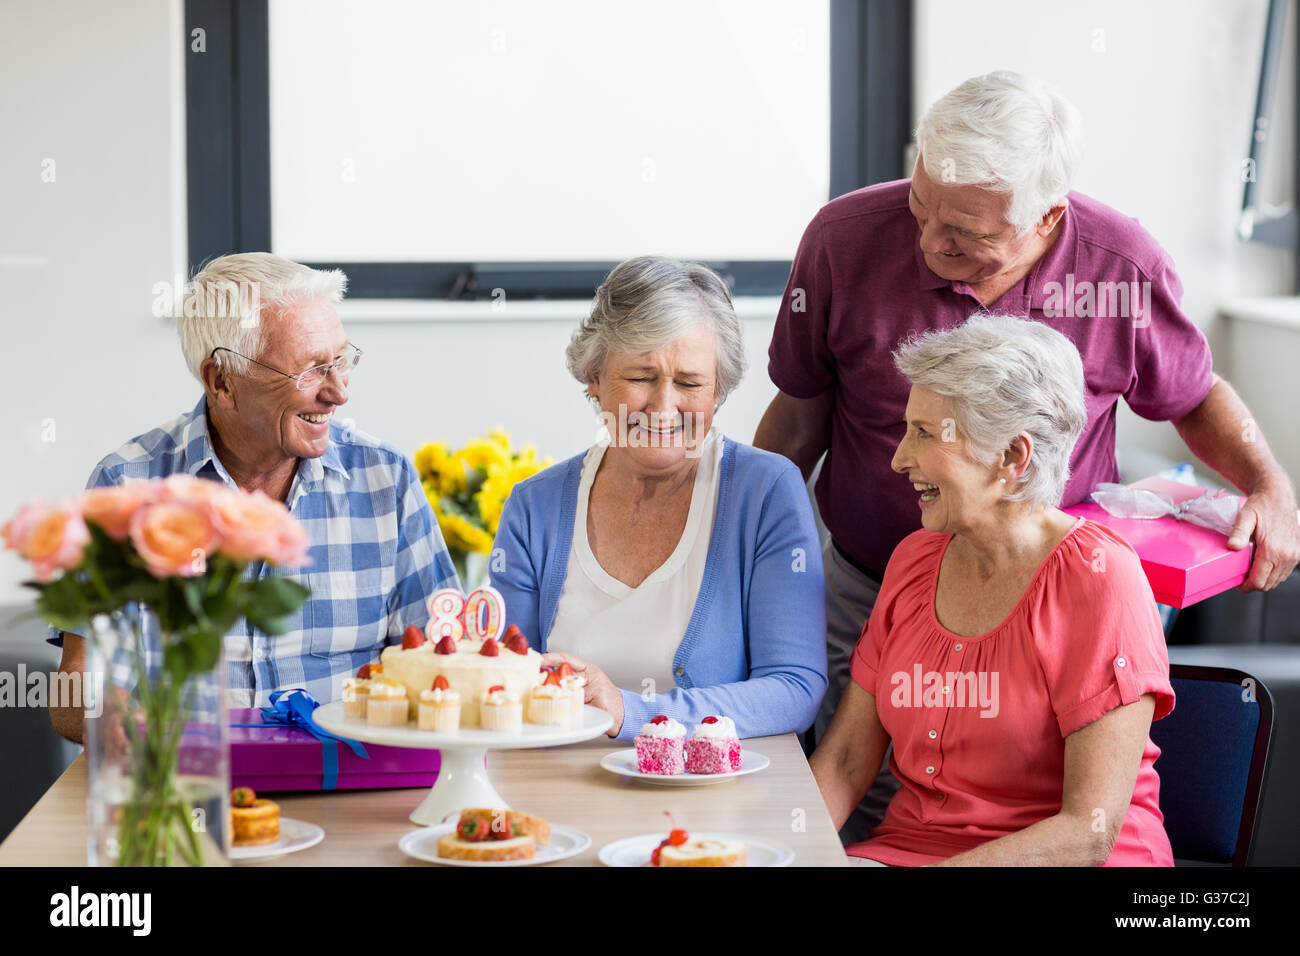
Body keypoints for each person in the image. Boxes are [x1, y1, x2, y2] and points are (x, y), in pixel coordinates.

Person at [756, 70, 1299, 837]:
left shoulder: (1121, 269)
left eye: (966, 234)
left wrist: (1270, 484)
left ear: (1048, 216)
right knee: (891, 815)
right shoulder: (843, 242)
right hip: (878, 584)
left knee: (1028, 805)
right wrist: (748, 551)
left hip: (1055, 607)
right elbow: (796, 421)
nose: (929, 242)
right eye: (920, 206)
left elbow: (1192, 392)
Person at [49, 253, 459, 744]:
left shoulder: (383, 478)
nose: (339, 392)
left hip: (348, 786)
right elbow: (77, 688)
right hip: (187, 793)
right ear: (221, 381)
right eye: (310, 371)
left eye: (341, 360)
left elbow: (445, 653)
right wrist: (140, 740)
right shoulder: (125, 486)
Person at [811, 314, 1175, 866]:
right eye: (908, 428)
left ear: (1012, 457)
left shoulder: (1100, 578)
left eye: (927, 434)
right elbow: (843, 762)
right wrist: (777, 849)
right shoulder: (913, 561)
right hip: (911, 853)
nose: (899, 458)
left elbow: (1087, 832)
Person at [490, 256, 827, 740]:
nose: (665, 408)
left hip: (711, 790)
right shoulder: (533, 507)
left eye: (690, 383)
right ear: (595, 377)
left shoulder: (767, 492)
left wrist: (629, 712)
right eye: (641, 378)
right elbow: (503, 677)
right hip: (561, 785)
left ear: (719, 391)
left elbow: (794, 688)